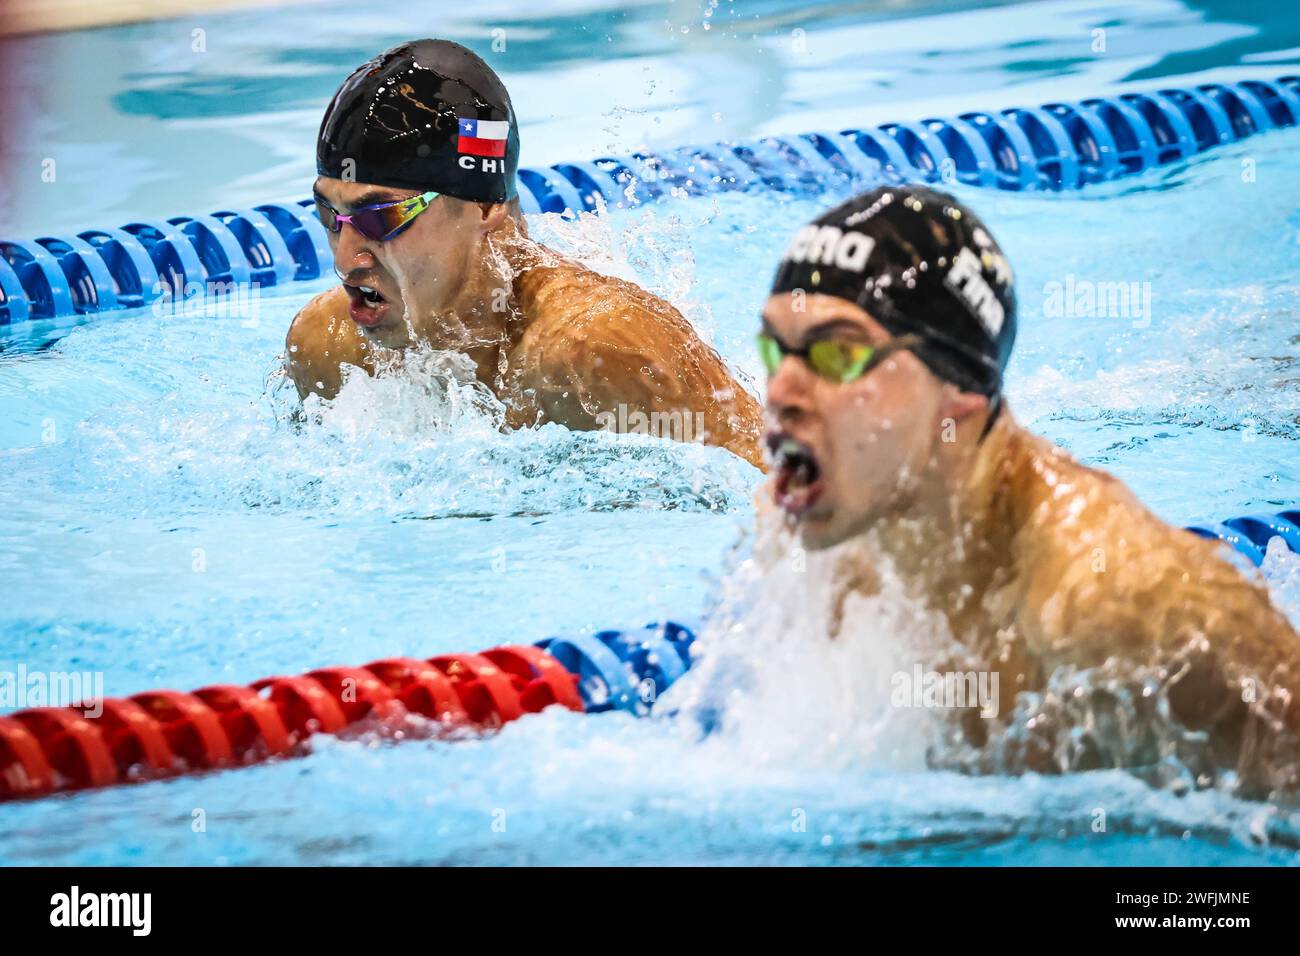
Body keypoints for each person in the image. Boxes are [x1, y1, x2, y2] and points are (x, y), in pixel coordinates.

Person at [757, 184, 1299, 794]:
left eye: (837, 355)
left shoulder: (1115, 597)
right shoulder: (817, 523)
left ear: (956, 395)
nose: (780, 392)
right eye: (775, 349)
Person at [286, 38, 763, 467]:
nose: (346, 260)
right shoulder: (329, 346)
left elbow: (782, 497)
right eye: (330, 215)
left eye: (381, 217)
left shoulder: (597, 350)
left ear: (485, 205)